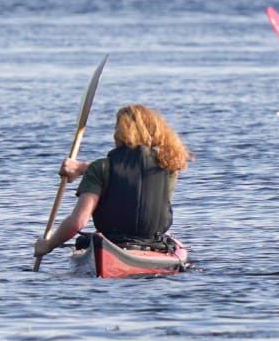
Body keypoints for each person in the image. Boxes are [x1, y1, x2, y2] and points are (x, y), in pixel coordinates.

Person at [33, 104, 191, 261]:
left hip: (112, 246)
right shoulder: (169, 167)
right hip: (153, 246)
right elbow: (133, 174)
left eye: (116, 128)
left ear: (121, 133)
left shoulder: (100, 168)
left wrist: (48, 245)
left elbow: (78, 222)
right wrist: (82, 168)